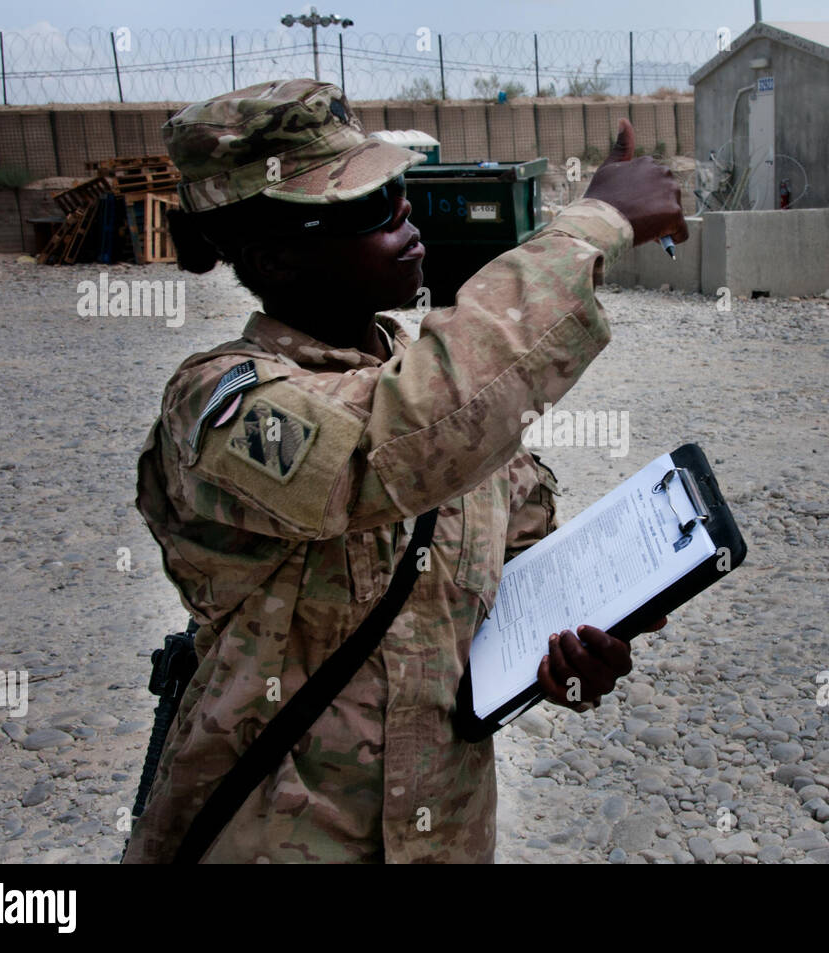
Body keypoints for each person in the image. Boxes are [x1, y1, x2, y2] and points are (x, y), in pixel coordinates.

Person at [122, 78, 687, 863]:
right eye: (363, 208)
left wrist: (576, 647)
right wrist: (592, 227)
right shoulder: (217, 404)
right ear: (269, 255)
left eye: (399, 191)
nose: (404, 218)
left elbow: (518, 561)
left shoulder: (435, 386)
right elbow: (385, 447)